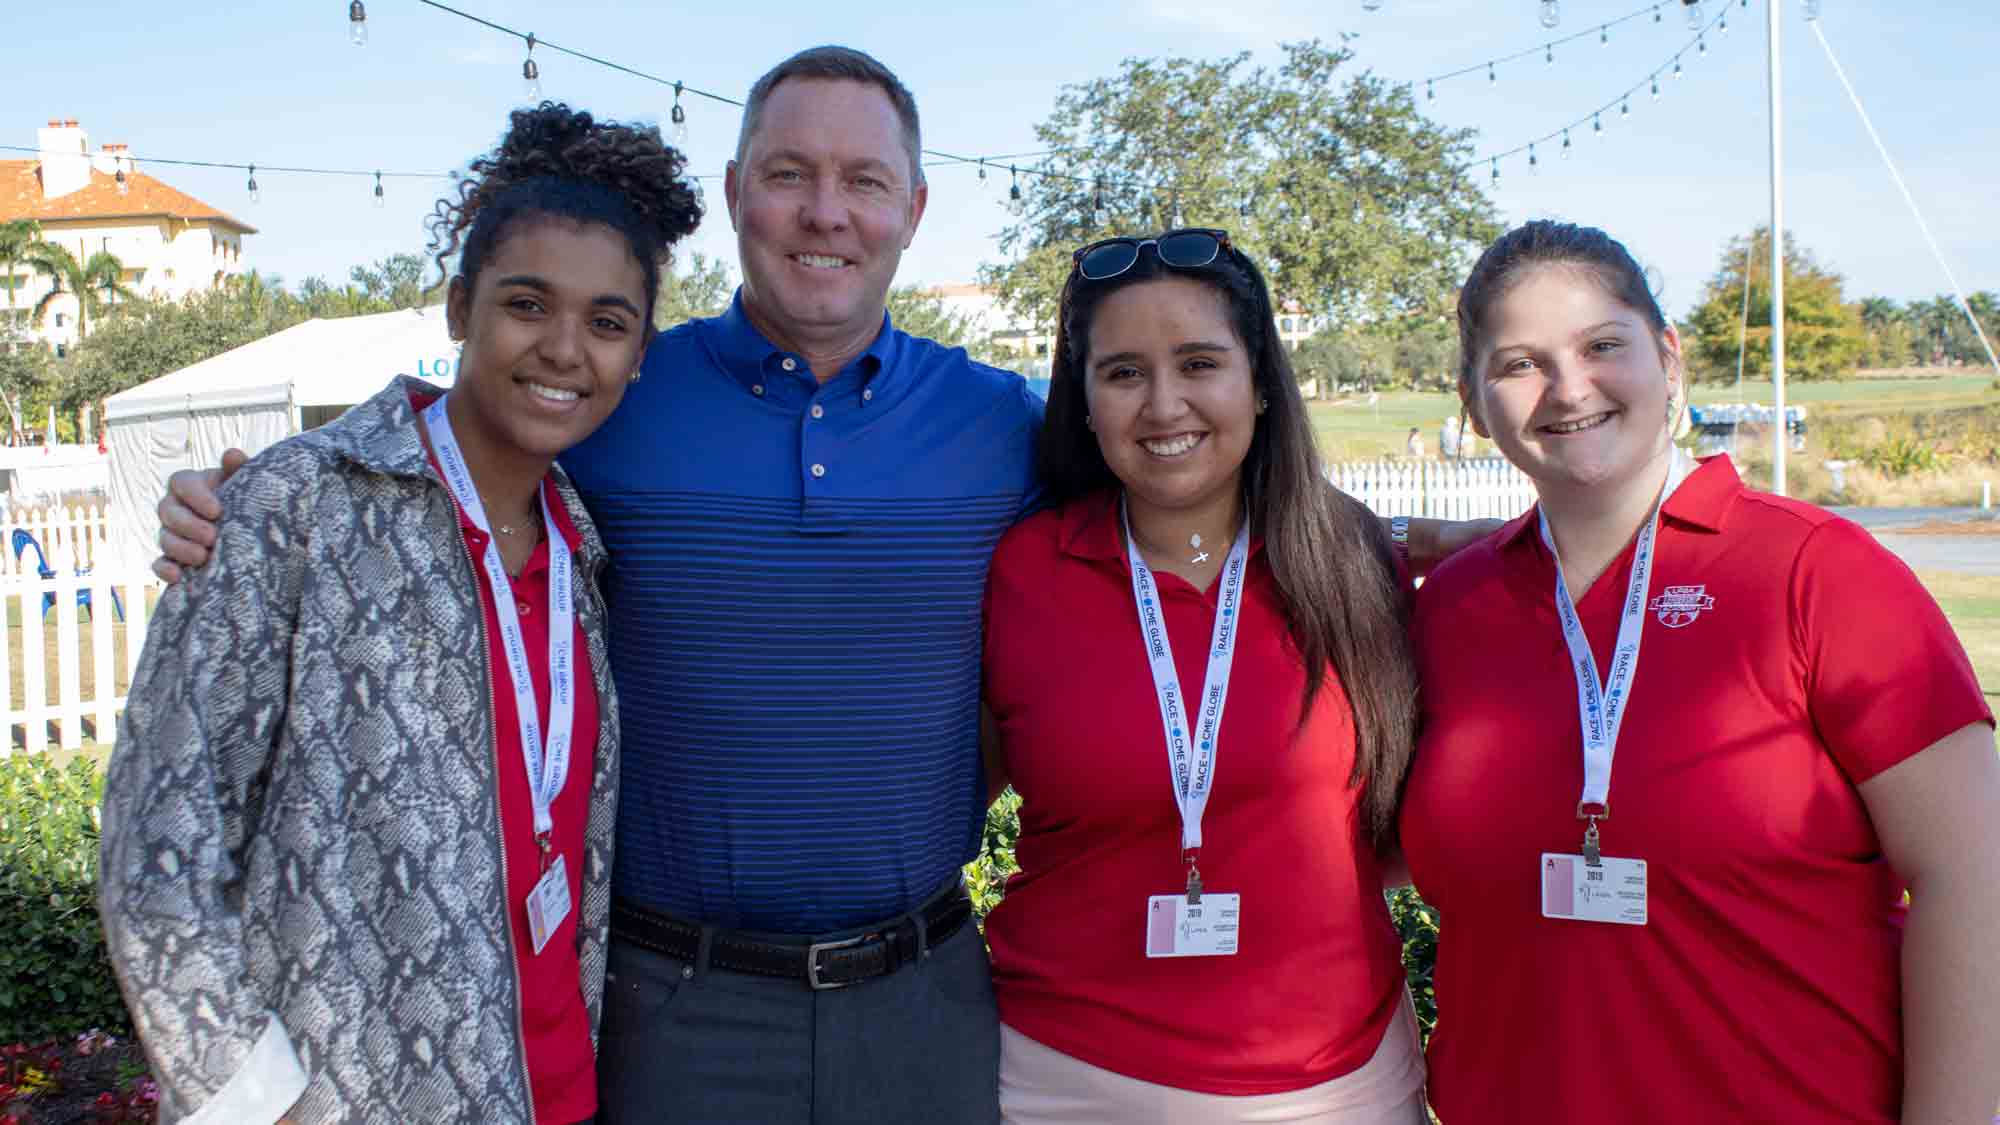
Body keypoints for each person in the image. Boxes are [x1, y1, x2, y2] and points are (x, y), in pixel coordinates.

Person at [150, 47, 1492, 1124]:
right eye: (790, 174)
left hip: (926, 999)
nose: (825, 211)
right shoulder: (614, 382)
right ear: (737, 195)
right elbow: (459, 446)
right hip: (671, 1004)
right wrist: (248, 499)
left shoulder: (1003, 427)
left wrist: (1413, 537)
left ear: (913, 208)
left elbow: (1186, 468)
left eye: (863, 179)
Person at [98, 102, 702, 1125]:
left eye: (606, 322)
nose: (563, 348)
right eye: (525, 304)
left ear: (639, 353)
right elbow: (158, 853)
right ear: (460, 306)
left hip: (557, 1095)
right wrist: (260, 1107)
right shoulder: (294, 510)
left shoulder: (584, 552)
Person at [1399, 220, 2000, 1122]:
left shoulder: (1815, 573)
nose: (1569, 388)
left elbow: (1973, 874)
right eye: (1519, 363)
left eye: (1603, 345)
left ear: (1669, 359)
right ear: (1471, 400)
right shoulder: (1453, 608)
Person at [982, 228, 1427, 1123]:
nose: (1163, 404)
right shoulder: (1024, 568)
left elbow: (1415, 817)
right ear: (1085, 402)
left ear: (1259, 383)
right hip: (1064, 1078)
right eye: (1122, 373)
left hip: (1332, 1082)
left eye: (1198, 363)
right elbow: (951, 796)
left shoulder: (1351, 560)